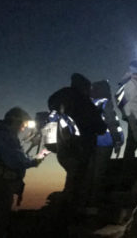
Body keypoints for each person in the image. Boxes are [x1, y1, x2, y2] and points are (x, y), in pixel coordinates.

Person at [0, 107, 49, 237]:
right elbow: (16, 161)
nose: (23, 129)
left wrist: (31, 145)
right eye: (24, 124)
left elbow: (12, 154)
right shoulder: (4, 135)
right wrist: (39, 158)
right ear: (15, 121)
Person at [47, 73, 107, 205]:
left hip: (62, 149)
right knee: (78, 182)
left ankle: (65, 211)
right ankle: (72, 214)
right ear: (84, 87)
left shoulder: (59, 98)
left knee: (71, 178)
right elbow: (100, 127)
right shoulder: (84, 102)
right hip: (80, 149)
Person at [86, 80, 123, 207]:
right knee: (100, 173)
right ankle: (95, 204)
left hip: (90, 143)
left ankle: (86, 202)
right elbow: (111, 122)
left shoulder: (88, 104)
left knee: (90, 173)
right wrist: (117, 140)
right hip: (105, 142)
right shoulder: (105, 103)